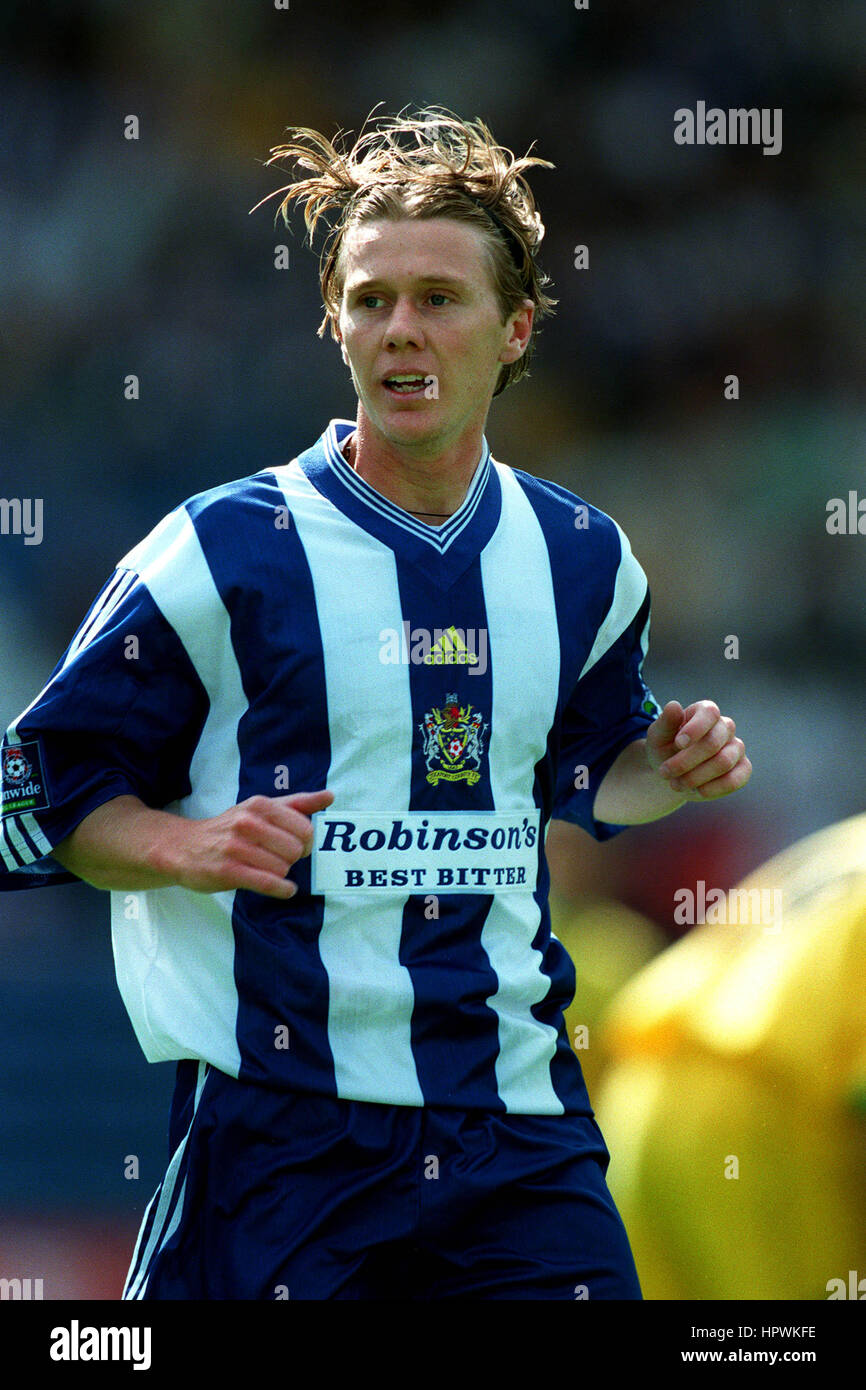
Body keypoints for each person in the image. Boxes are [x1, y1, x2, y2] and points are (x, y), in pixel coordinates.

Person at [0, 108, 751, 1300]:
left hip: (514, 1126)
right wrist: (184, 844)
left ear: (512, 331)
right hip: (278, 1138)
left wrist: (669, 763)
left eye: (438, 299)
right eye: (370, 298)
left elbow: (586, 770)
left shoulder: (581, 558)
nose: (400, 328)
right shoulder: (215, 554)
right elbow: (35, 795)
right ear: (336, 324)